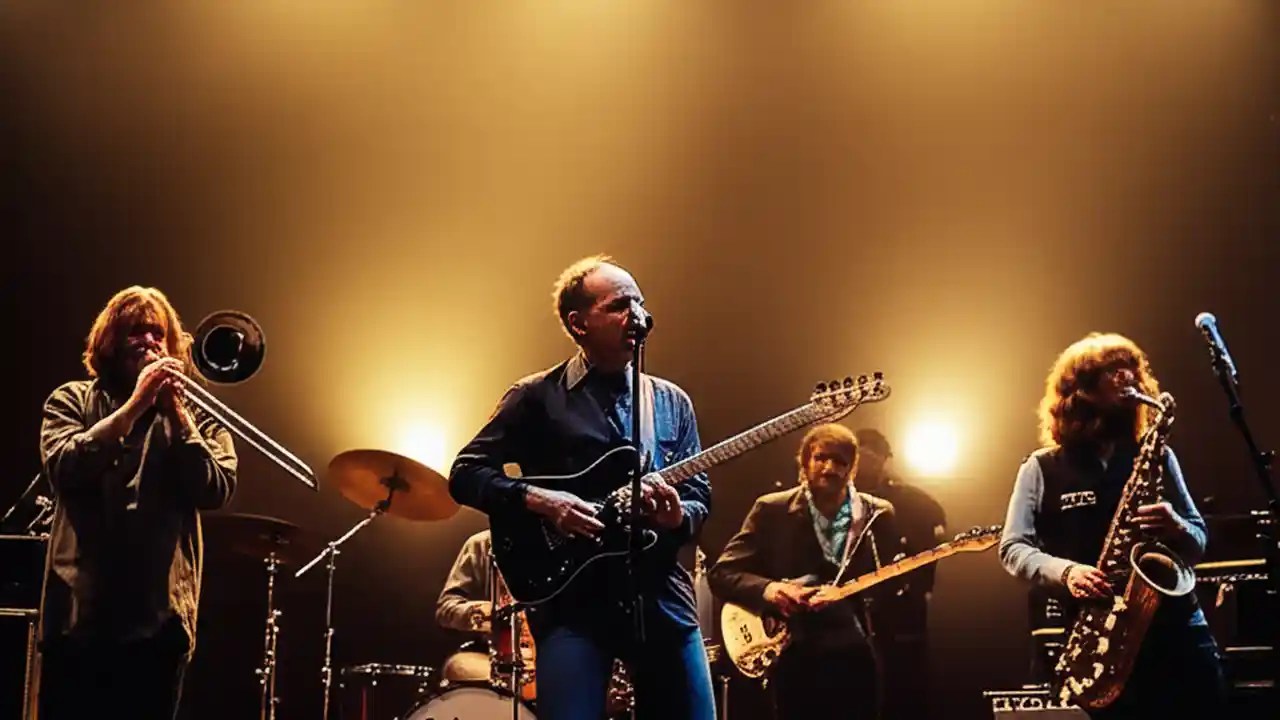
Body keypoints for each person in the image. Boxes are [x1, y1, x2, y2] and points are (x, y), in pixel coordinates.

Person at [448, 255, 716, 720]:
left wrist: (678, 517)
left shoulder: (671, 402)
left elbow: (700, 495)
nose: (638, 315)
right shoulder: (535, 396)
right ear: (578, 323)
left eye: (640, 302)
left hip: (659, 598)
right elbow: (465, 472)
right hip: (572, 604)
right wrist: (541, 501)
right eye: (618, 305)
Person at [37, 286, 237, 720]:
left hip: (159, 625)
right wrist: (135, 405)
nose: (149, 343)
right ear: (111, 340)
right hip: (79, 619)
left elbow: (217, 488)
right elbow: (64, 466)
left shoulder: (199, 414)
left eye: (157, 334)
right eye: (136, 332)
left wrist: (177, 415)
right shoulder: (71, 399)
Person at [999, 332, 1223, 718]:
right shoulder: (1041, 467)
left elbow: (1199, 537)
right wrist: (1066, 572)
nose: (1128, 377)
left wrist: (1177, 527)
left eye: (1131, 368)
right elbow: (1013, 547)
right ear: (1080, 388)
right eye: (1112, 371)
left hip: (1177, 634)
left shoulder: (1157, 455)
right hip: (1102, 641)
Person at [709, 423, 902, 720]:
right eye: (822, 457)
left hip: (854, 656)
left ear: (852, 468)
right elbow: (723, 573)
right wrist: (771, 590)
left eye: (841, 461)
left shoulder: (875, 514)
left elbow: (888, 585)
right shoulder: (771, 509)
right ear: (804, 461)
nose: (830, 467)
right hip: (793, 657)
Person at [853, 428, 946, 720]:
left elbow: (930, 552)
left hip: (898, 620)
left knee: (903, 693)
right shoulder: (828, 502)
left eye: (873, 455)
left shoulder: (917, 504)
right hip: (845, 618)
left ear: (885, 459)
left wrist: (916, 588)